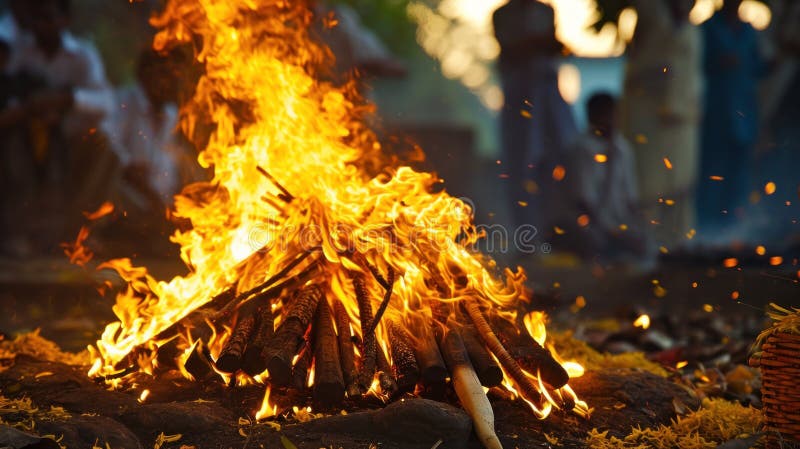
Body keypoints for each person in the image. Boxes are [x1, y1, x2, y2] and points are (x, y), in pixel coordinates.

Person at [6, 0, 116, 252]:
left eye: (48, 18)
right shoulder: (18, 52)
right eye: (37, 18)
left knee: (106, 148)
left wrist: (67, 100)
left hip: (69, 140)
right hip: (26, 140)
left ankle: (80, 233)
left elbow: (106, 103)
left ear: (64, 20)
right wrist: (31, 110)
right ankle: (18, 234)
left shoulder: (83, 54)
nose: (42, 25)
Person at [620, 0, 700, 249]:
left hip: (683, 118)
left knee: (682, 180)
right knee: (650, 183)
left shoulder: (693, 29)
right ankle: (647, 243)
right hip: (647, 116)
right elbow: (638, 61)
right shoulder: (651, 14)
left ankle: (679, 243)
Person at [492, 0, 577, 236]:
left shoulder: (546, 11)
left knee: (557, 162)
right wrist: (537, 43)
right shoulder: (502, 14)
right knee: (520, 166)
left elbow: (552, 45)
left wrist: (549, 45)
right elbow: (511, 49)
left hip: (549, 98)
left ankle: (554, 232)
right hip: (519, 99)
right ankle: (525, 236)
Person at [552, 92, 653, 265]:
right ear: (592, 117)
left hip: (616, 223)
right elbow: (582, 201)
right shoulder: (580, 149)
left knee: (644, 243)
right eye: (606, 115)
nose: (612, 120)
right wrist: (607, 229)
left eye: (615, 115)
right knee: (595, 242)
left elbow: (631, 198)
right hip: (586, 224)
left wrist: (638, 225)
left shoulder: (622, 149)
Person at [696, 0, 766, 239]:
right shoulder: (708, 28)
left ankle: (734, 233)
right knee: (713, 174)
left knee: (740, 178)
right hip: (716, 116)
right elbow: (696, 65)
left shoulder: (748, 31)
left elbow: (758, 67)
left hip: (745, 116)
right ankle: (707, 232)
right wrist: (718, 63)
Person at [105, 48, 199, 215]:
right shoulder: (122, 103)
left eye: (177, 75)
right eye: (165, 73)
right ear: (144, 74)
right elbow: (111, 154)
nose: (173, 81)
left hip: (160, 206)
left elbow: (167, 168)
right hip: (122, 205)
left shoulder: (171, 114)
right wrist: (149, 193)